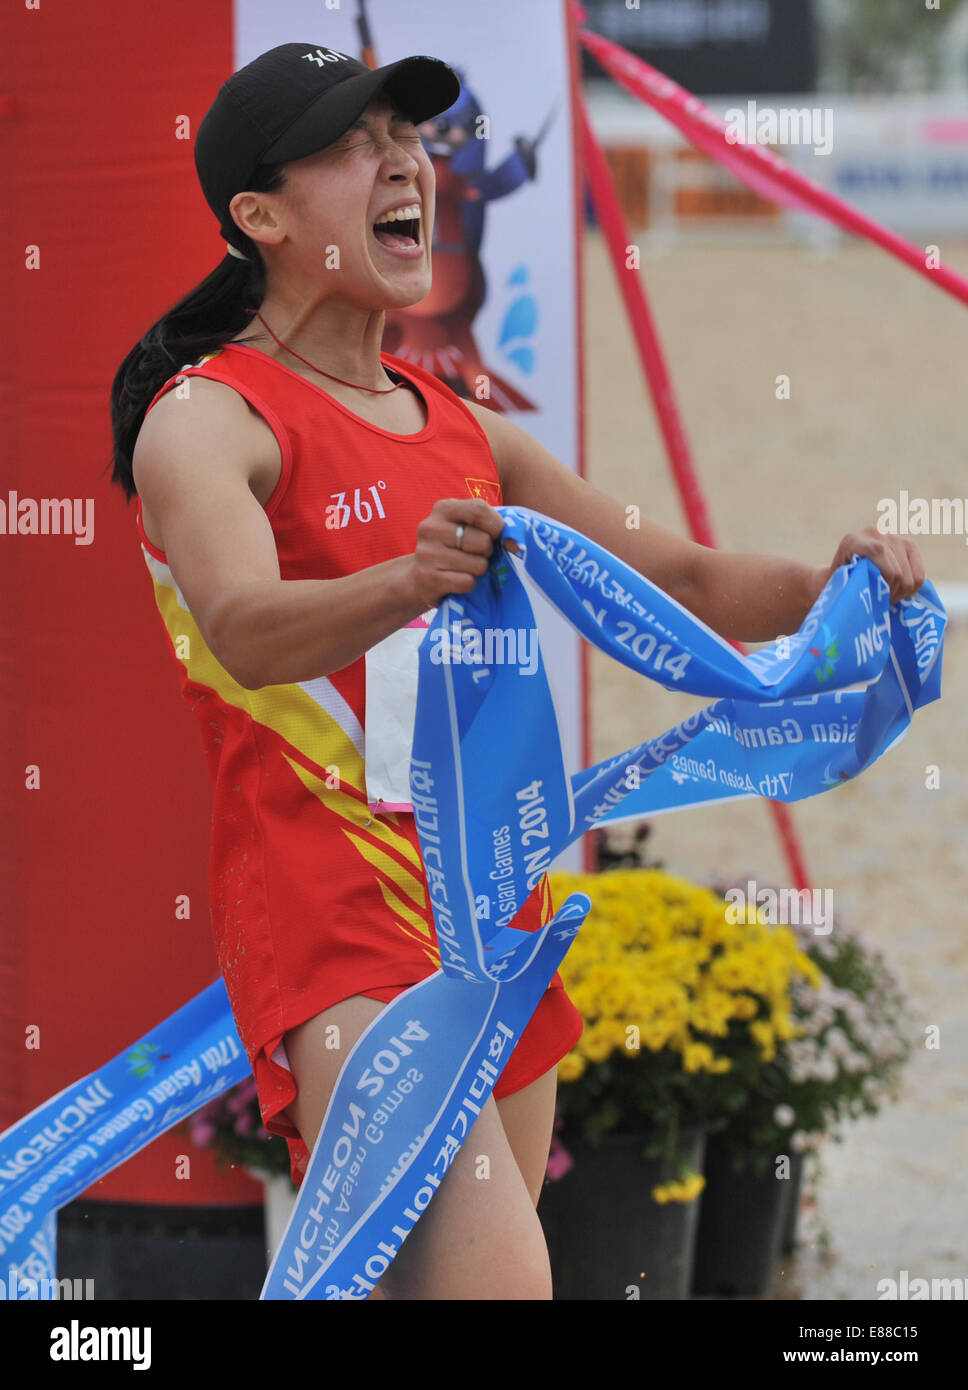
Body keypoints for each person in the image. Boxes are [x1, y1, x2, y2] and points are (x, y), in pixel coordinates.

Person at [109, 43, 925, 1301]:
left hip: (496, 923)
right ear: (257, 216)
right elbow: (243, 626)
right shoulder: (206, 419)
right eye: (347, 143)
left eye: (408, 135)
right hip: (344, 946)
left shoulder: (461, 426)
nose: (403, 163)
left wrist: (838, 579)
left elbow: (689, 581)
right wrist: (404, 579)